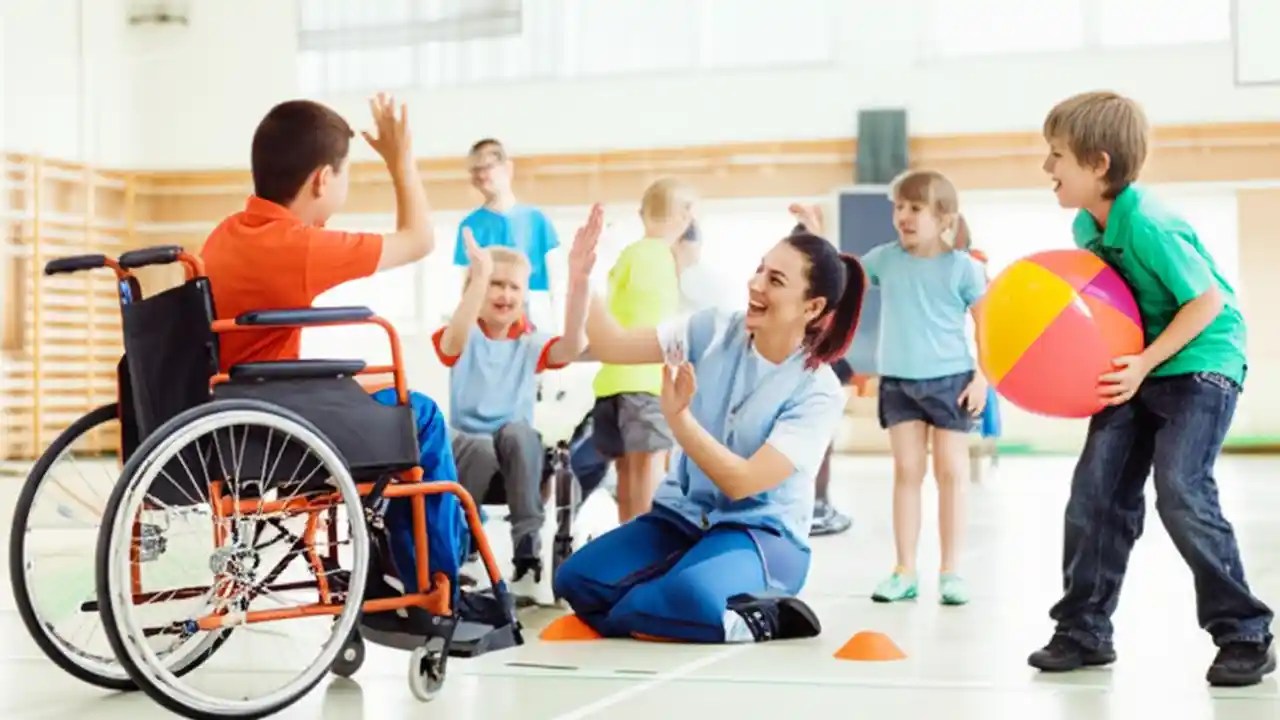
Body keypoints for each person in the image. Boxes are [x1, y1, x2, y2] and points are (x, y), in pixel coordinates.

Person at [1028, 90, 1275, 686]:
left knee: (1181, 488)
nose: (1047, 168)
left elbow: (1205, 302)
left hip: (1203, 358)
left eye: (1056, 155)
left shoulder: (1151, 223)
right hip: (1140, 361)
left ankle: (1244, 630)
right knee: (1095, 492)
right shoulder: (1088, 224)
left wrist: (1142, 364)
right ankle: (1083, 629)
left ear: (1098, 164)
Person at [552, 216, 866, 644]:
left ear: (812, 308)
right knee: (575, 580)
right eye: (759, 269)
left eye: (774, 280)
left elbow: (743, 482)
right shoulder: (714, 328)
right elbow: (613, 345)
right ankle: (654, 607)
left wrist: (681, 422)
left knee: (682, 596)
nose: (755, 284)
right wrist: (582, 279)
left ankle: (765, 618)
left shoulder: (818, 391)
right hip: (681, 520)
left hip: (761, 536)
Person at [199, 94, 465, 592]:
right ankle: (435, 583)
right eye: (344, 176)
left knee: (364, 388)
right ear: (322, 179)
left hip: (233, 416)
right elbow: (419, 239)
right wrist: (400, 161)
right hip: (276, 432)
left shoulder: (225, 235)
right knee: (419, 413)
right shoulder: (298, 248)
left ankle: (392, 561)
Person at [433, 213, 597, 583]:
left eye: (514, 288)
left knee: (518, 433)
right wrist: (477, 277)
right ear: (474, 287)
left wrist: (579, 280)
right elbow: (451, 343)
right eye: (495, 284)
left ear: (525, 296)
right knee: (479, 446)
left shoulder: (530, 342)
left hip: (515, 455)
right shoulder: (462, 333)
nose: (505, 294)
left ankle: (527, 551)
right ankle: (464, 543)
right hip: (467, 450)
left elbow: (572, 346)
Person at [856, 170, 987, 607]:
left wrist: (984, 377)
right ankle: (904, 569)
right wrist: (815, 235)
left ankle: (951, 571)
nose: (903, 217)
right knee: (907, 472)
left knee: (951, 472)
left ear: (943, 216)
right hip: (899, 382)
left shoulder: (964, 268)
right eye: (899, 207)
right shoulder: (884, 260)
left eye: (915, 208)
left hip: (952, 381)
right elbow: (843, 276)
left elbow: (990, 327)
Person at [590, 177, 692, 523]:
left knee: (627, 474)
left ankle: (626, 546)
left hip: (611, 381)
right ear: (683, 218)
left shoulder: (628, 255)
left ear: (641, 214)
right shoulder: (663, 257)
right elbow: (662, 323)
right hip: (646, 382)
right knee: (649, 470)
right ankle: (642, 551)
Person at [455, 138, 561, 333]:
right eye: (474, 170)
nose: (480, 175)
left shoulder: (537, 220)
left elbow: (556, 280)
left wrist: (557, 324)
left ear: (507, 169)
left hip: (533, 314)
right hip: (488, 317)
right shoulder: (470, 226)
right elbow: (465, 282)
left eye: (486, 166)